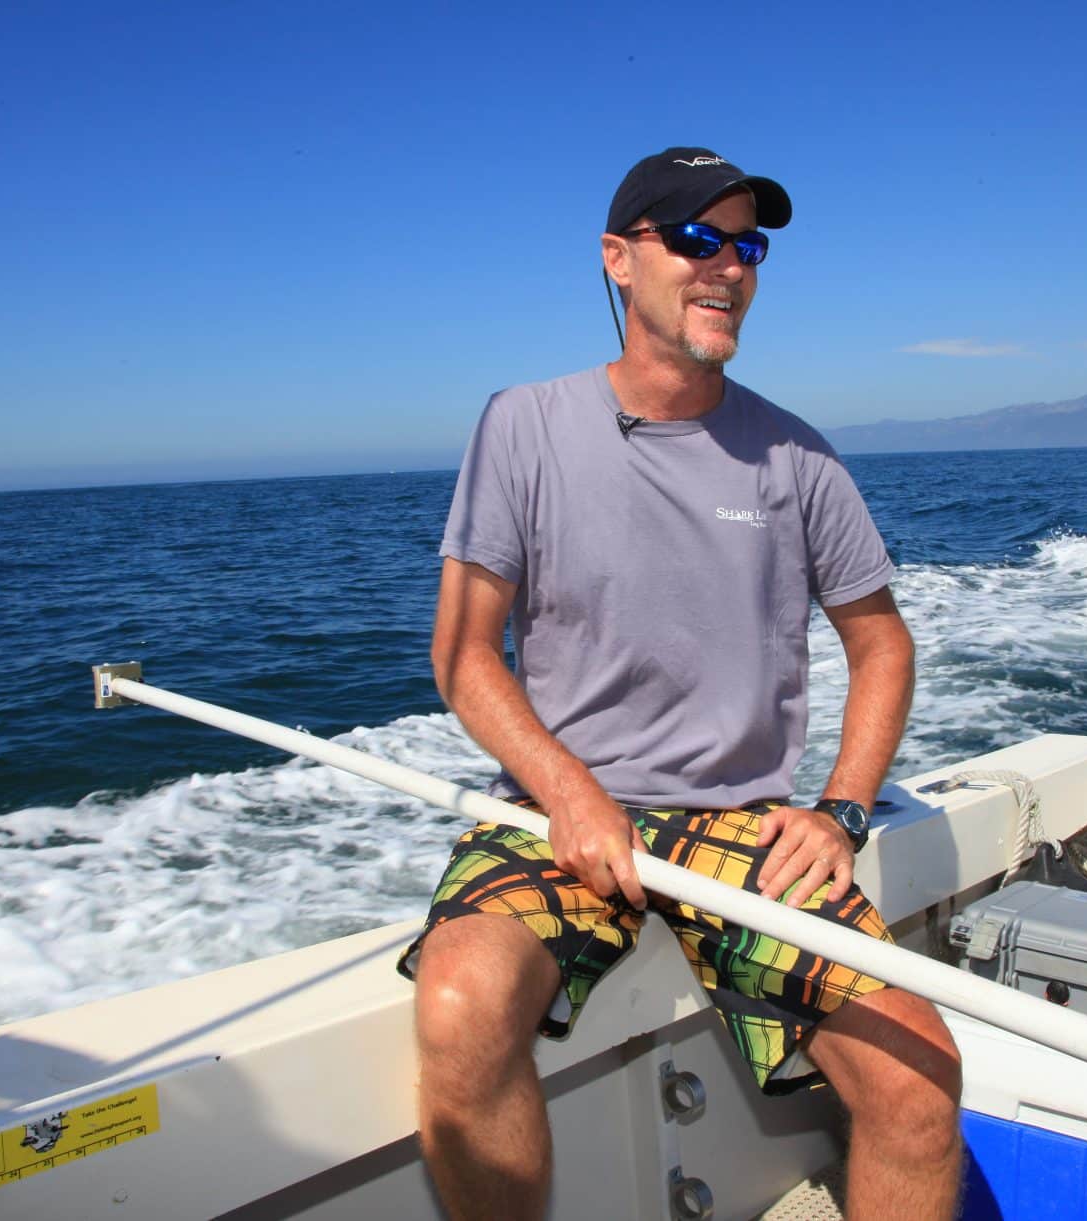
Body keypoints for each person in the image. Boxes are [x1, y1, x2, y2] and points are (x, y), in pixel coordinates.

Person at [400, 147, 964, 1219]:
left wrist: (841, 810)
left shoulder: (798, 458)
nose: (727, 266)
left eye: (747, 246)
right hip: (559, 815)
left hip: (742, 827)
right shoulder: (522, 425)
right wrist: (571, 794)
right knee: (460, 1006)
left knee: (918, 1083)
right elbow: (462, 654)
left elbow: (881, 643)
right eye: (696, 238)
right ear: (618, 259)